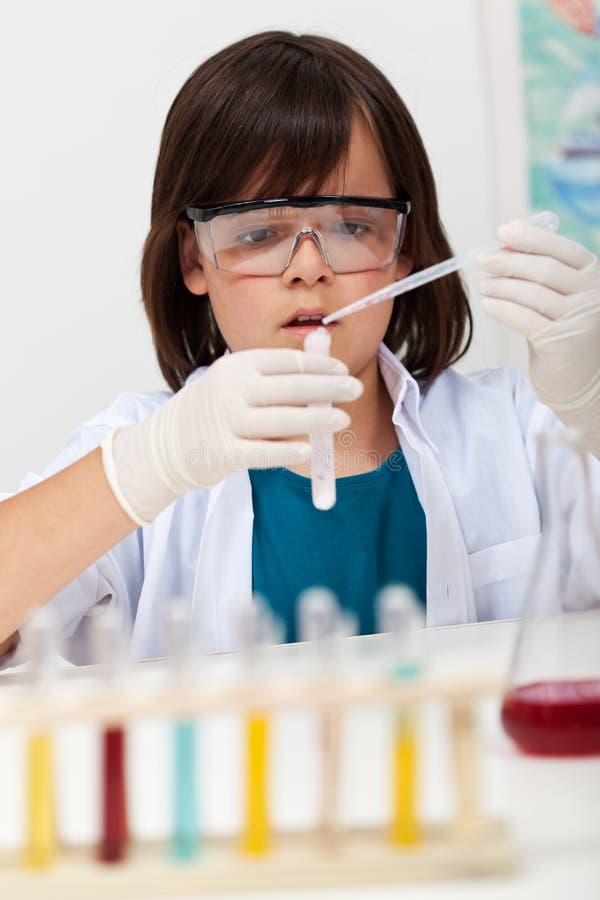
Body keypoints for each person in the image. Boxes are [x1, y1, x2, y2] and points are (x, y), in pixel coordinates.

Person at [1, 30, 599, 664]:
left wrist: (594, 409)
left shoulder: (521, 432)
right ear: (192, 257)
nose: (308, 269)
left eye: (350, 226)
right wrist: (149, 465)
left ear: (405, 251)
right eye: (259, 230)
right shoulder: (139, 450)